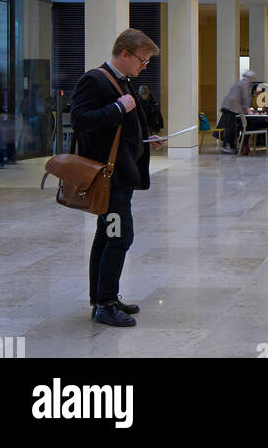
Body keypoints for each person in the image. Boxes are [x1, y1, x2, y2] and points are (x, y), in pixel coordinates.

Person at [70, 28, 164, 327]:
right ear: (124, 53)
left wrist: (147, 139)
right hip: (108, 176)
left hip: (121, 174)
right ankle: (105, 304)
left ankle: (103, 297)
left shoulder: (120, 80)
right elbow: (81, 121)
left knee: (107, 236)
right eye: (142, 60)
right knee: (120, 237)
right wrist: (115, 107)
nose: (144, 66)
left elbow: (124, 127)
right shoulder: (95, 79)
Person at [219, 70, 256, 153]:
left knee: (232, 127)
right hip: (232, 107)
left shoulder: (238, 82)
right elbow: (245, 98)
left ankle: (232, 146)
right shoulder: (245, 84)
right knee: (231, 127)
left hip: (228, 106)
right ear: (250, 78)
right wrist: (248, 110)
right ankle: (226, 146)